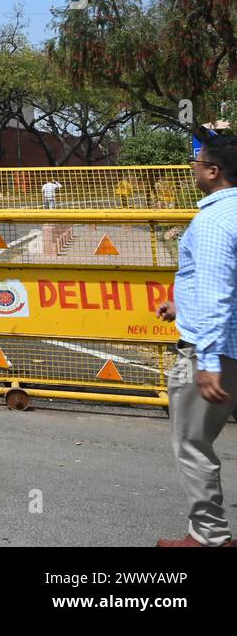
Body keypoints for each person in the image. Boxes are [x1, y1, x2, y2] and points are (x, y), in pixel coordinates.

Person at [156, 135, 237, 547]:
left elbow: (217, 290)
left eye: (197, 160)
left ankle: (208, 537)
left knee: (192, 441)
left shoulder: (212, 221)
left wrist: (207, 359)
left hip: (216, 352)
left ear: (213, 171)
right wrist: (182, 306)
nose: (192, 166)